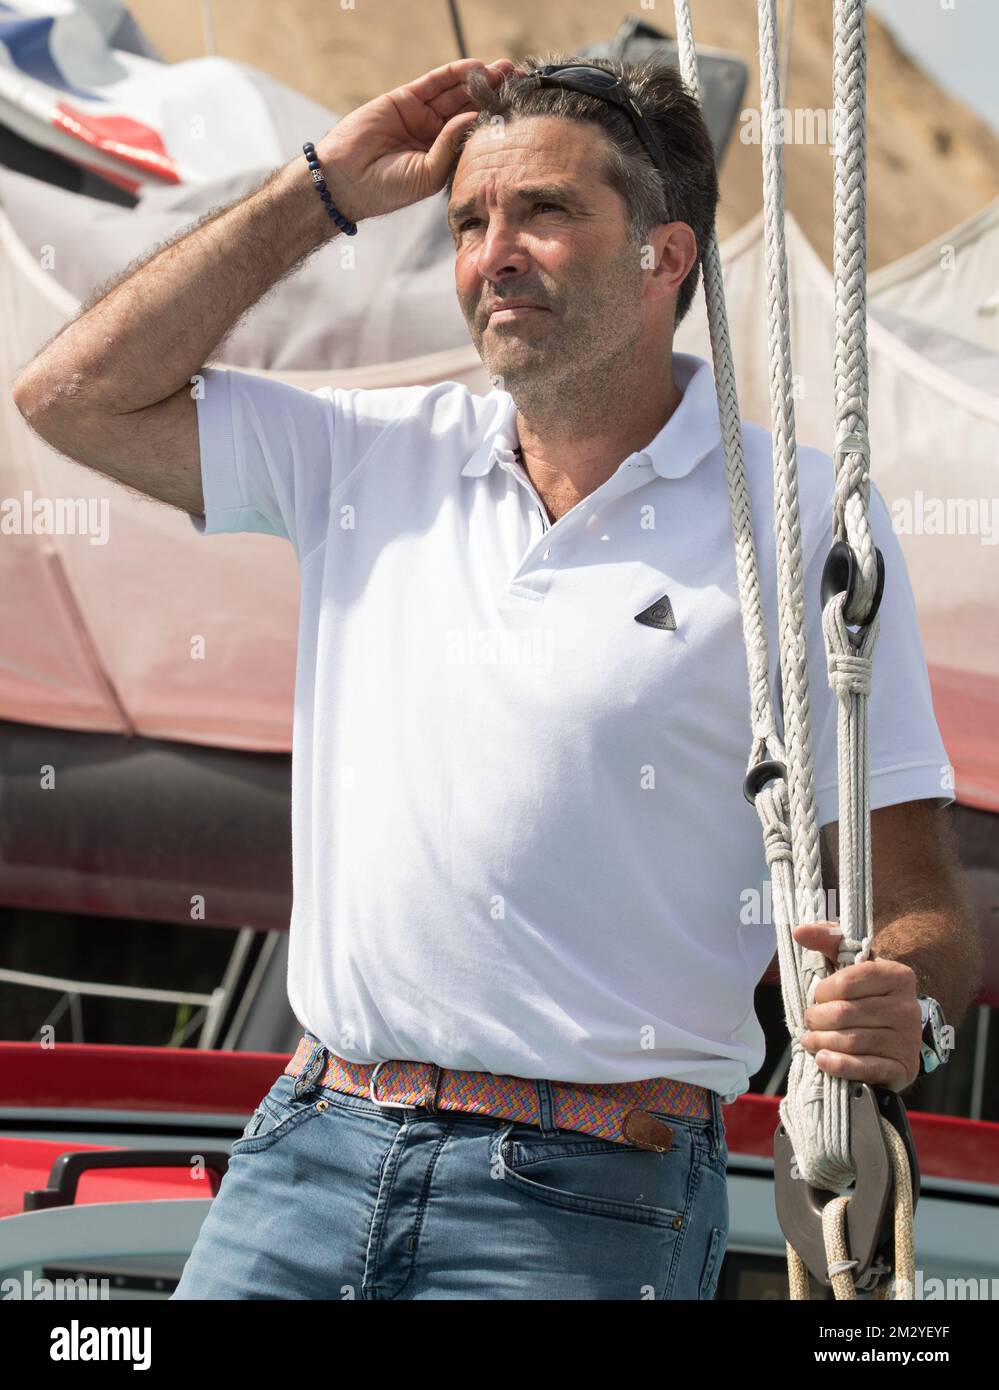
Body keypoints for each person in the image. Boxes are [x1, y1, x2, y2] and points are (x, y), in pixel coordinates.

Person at [11, 52, 980, 1301]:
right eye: (470, 219)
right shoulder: (366, 459)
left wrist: (904, 1005)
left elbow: (920, 904)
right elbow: (70, 393)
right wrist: (324, 190)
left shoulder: (795, 518)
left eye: (546, 212)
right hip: (306, 1145)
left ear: (666, 258)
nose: (494, 251)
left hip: (588, 1201)